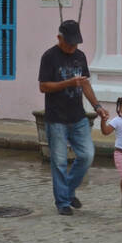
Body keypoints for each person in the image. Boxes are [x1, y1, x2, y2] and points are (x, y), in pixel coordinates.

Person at [38, 19, 107, 216]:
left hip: (78, 117)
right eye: (68, 43)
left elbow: (85, 84)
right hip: (56, 118)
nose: (72, 48)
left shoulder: (80, 57)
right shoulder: (49, 57)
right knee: (59, 162)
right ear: (59, 38)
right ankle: (63, 202)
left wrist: (98, 106)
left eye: (75, 44)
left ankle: (67, 191)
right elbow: (43, 86)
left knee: (87, 155)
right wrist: (67, 83)